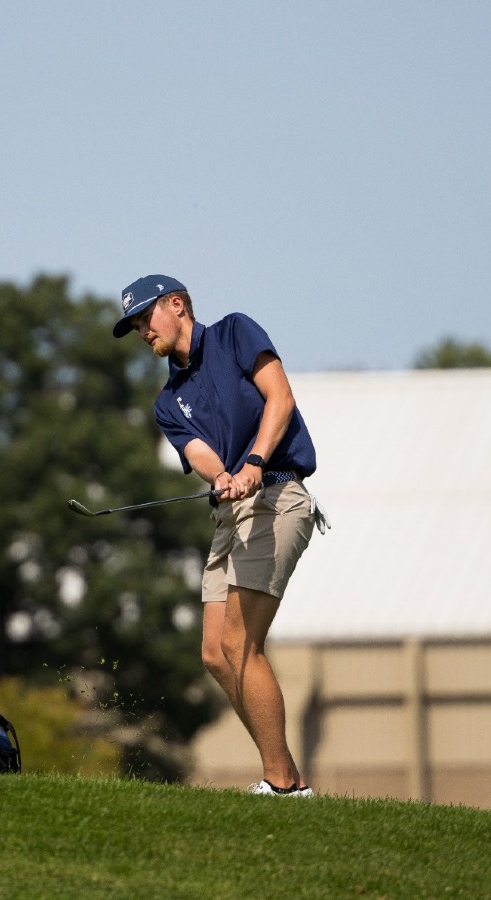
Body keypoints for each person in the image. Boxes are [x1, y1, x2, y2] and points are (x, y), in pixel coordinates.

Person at [115, 274, 320, 797]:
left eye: (145, 318)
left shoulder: (235, 333)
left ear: (176, 305)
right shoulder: (168, 400)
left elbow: (281, 398)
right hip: (233, 511)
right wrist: (222, 476)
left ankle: (281, 786)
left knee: (240, 642)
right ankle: (288, 774)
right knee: (213, 652)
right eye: (134, 325)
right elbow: (198, 453)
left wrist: (253, 461)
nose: (141, 331)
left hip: (277, 496)